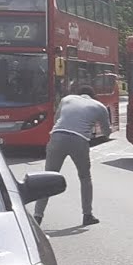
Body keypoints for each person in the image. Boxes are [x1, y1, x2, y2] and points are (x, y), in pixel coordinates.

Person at [35, 85, 111, 227]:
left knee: (48, 178)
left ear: (78, 94)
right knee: (84, 177)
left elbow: (57, 118)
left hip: (57, 136)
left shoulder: (67, 99)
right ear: (93, 96)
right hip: (79, 140)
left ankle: (37, 216)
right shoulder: (99, 106)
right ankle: (87, 215)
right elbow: (106, 131)